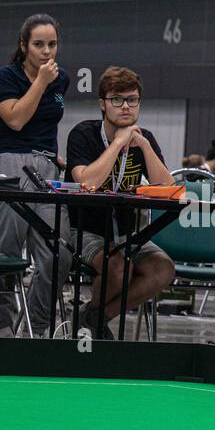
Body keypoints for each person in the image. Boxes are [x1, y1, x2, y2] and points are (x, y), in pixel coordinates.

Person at [64, 67, 175, 337]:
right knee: (119, 269)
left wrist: (145, 147)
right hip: (85, 230)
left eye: (132, 100)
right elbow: (86, 182)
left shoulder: (144, 139)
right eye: (117, 99)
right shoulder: (83, 134)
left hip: (127, 233)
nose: (126, 106)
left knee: (163, 268)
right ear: (103, 104)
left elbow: (168, 188)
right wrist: (117, 144)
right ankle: (94, 322)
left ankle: (93, 317)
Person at [0, 13, 70, 336]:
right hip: (8, 163)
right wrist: (41, 82)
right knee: (5, 252)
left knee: (59, 253)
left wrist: (53, 156)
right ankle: (3, 325)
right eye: (38, 45)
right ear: (24, 46)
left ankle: (35, 324)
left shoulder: (62, 78)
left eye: (52, 44)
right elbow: (16, 120)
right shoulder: (6, 77)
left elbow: (48, 123)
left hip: (46, 167)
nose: (47, 52)